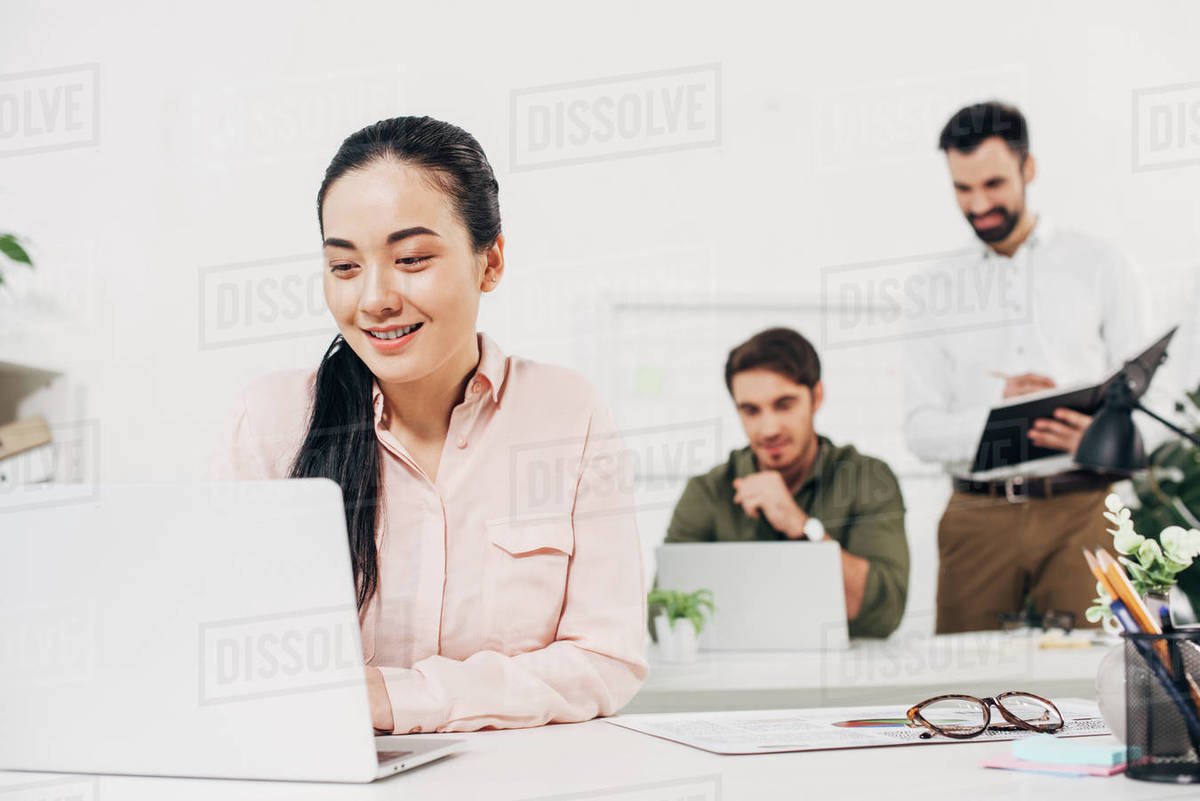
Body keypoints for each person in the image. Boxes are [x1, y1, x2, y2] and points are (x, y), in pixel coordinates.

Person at [213, 116, 647, 733]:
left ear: (489, 262)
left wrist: (401, 699)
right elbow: (227, 650)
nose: (374, 299)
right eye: (344, 267)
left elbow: (605, 660)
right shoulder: (270, 422)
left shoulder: (567, 415)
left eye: (411, 258)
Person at [904, 101, 1158, 633]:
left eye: (993, 184)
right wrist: (1003, 417)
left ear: (1029, 168)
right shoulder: (931, 289)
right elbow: (920, 432)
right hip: (977, 519)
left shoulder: (1101, 265)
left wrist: (1097, 436)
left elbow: (1149, 403)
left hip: (1082, 510)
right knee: (965, 679)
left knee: (1093, 673)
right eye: (962, 188)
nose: (978, 204)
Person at [665, 327, 909, 638]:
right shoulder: (708, 490)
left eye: (784, 404)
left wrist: (801, 525)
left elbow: (885, 614)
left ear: (816, 397)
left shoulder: (868, 479)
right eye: (751, 410)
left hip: (841, 667)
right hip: (736, 666)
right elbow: (663, 616)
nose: (769, 429)